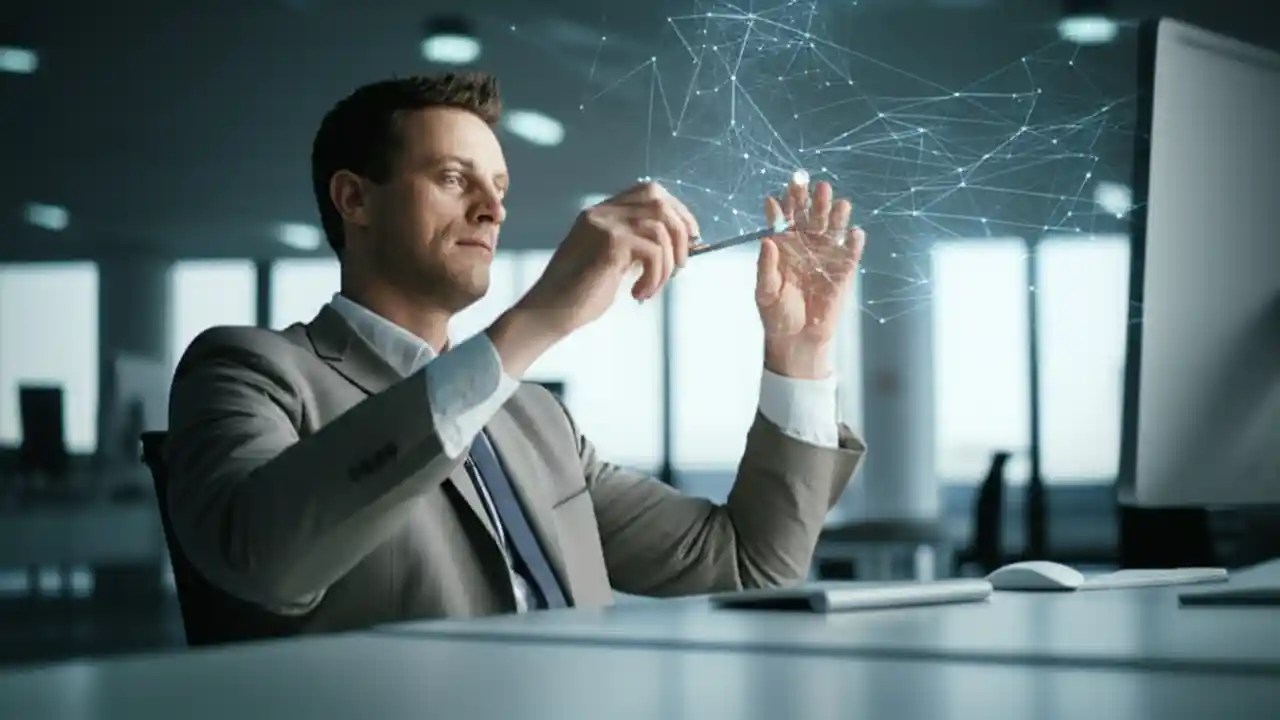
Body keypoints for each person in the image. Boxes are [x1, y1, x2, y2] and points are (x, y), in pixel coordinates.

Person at [165, 71, 868, 635]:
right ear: (355, 200)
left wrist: (799, 351)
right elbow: (264, 563)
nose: (492, 210)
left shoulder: (537, 421)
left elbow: (748, 567)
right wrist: (537, 320)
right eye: (453, 178)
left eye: (498, 188)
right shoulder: (249, 371)